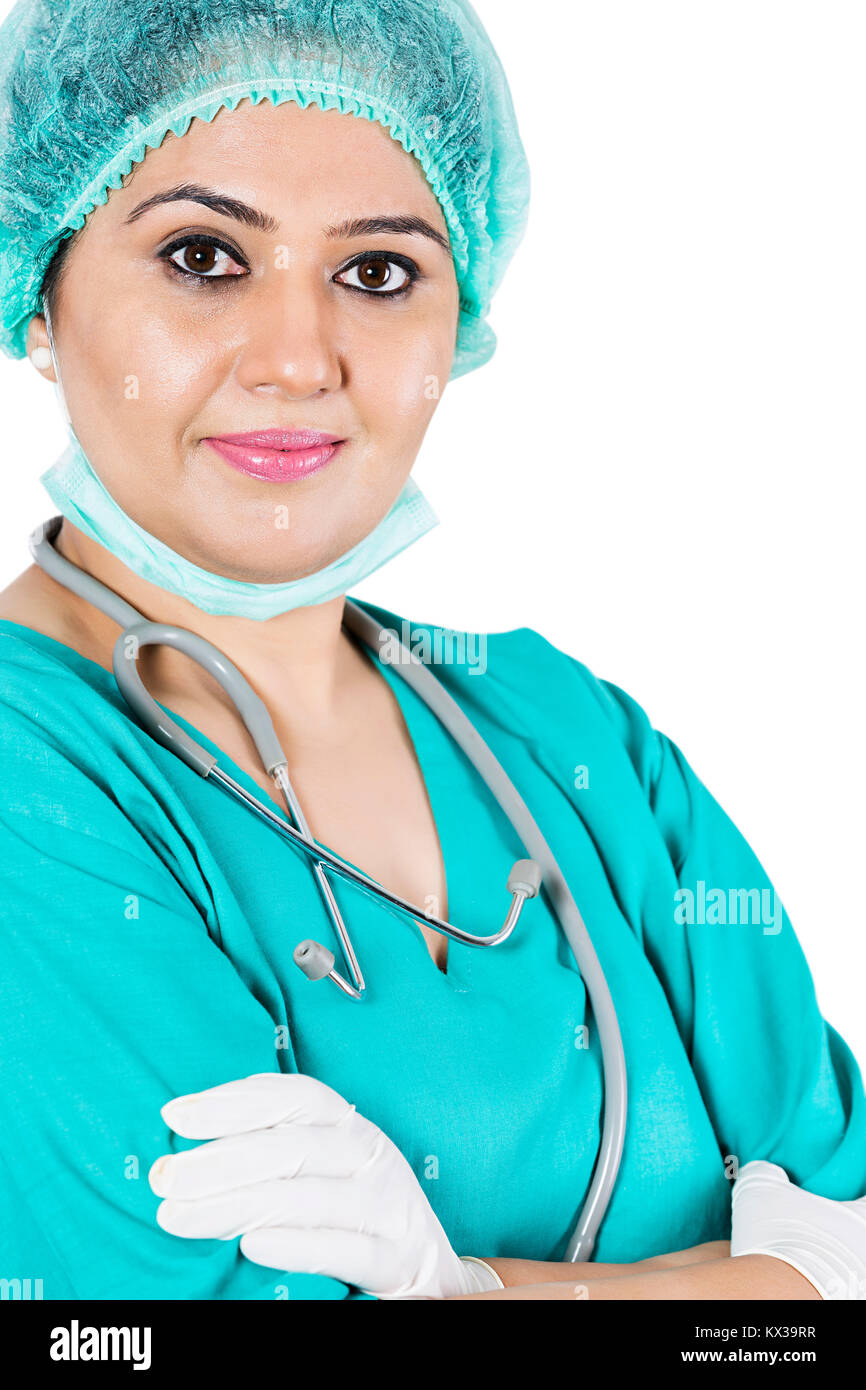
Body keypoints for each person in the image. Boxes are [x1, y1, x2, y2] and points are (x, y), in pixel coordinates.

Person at [0, 0, 863, 1302]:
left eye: (377, 273)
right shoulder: (31, 772)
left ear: (458, 318)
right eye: (201, 254)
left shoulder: (566, 733)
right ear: (37, 295)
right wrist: (745, 1280)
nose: (298, 360)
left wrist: (468, 1292)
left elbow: (849, 1229)